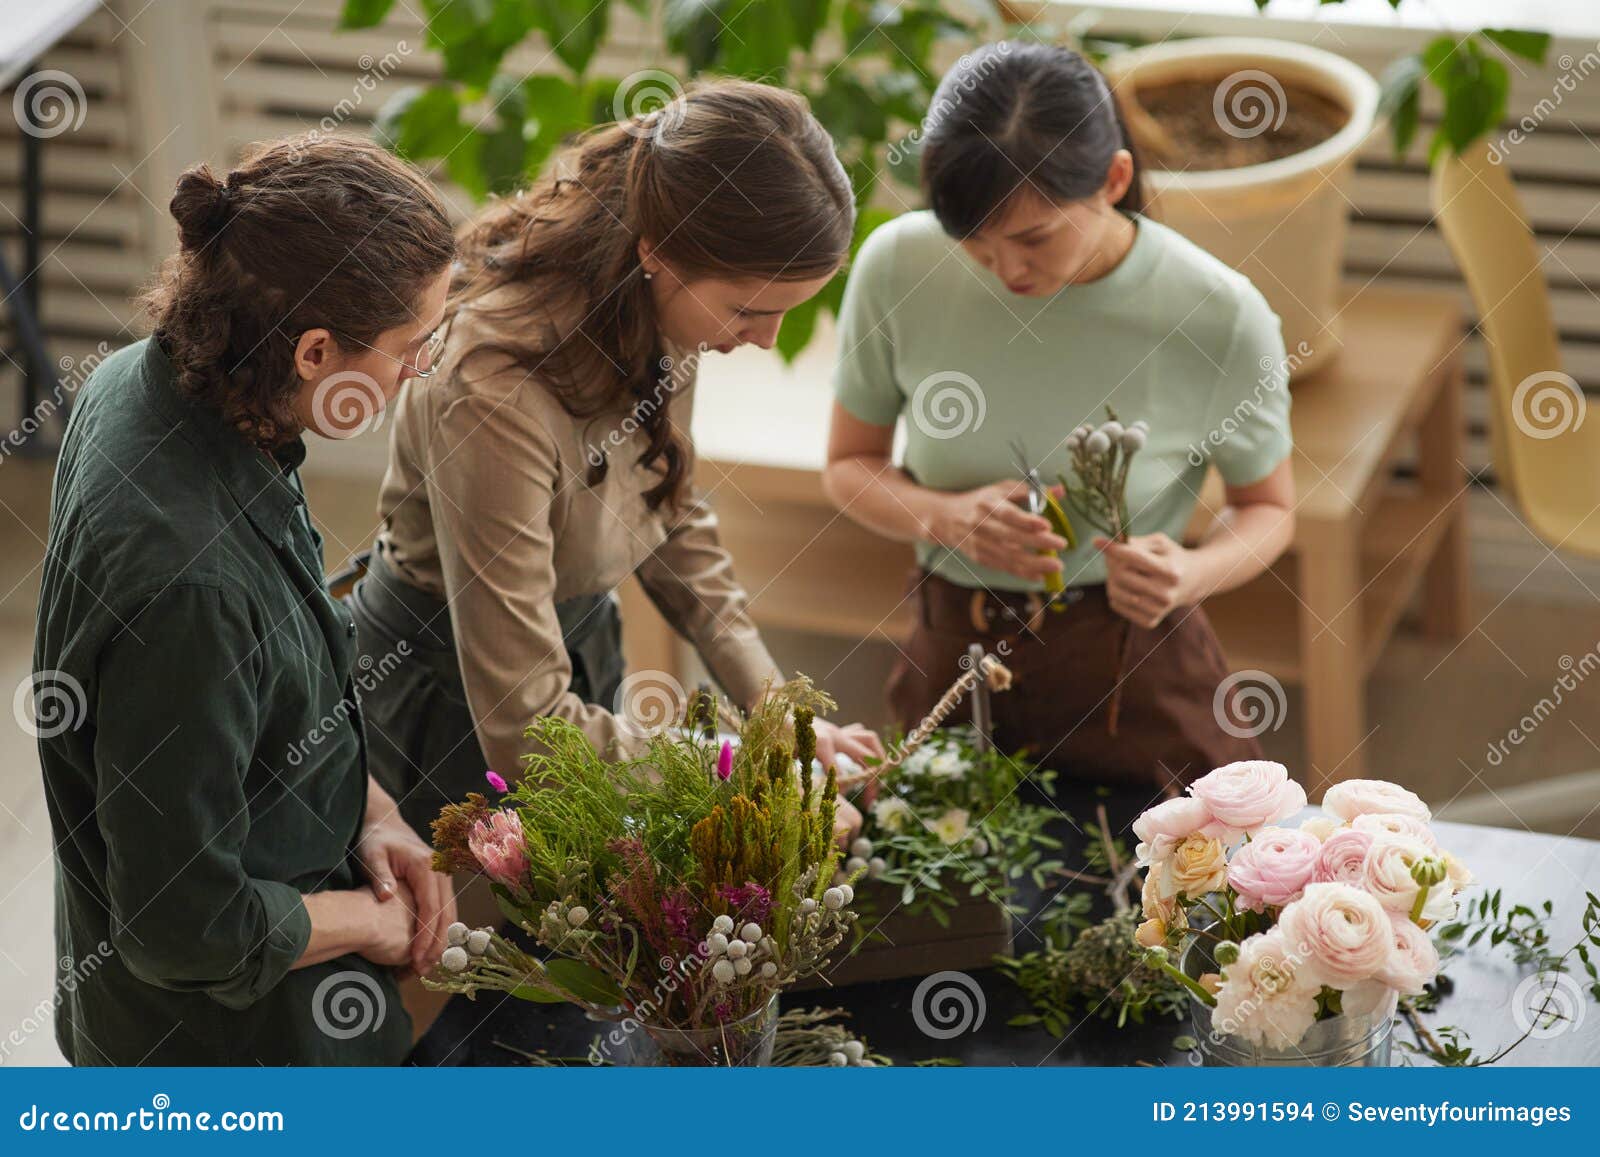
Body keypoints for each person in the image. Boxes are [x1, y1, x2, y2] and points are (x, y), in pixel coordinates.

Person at [351, 78, 884, 846]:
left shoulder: (660, 306)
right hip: (451, 701)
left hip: (578, 660)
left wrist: (778, 716)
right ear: (657, 253)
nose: (767, 341)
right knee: (488, 953)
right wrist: (743, 772)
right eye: (748, 311)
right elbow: (527, 732)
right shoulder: (493, 390)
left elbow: (669, 508)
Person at [33, 136, 459, 1065]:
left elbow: (271, 704)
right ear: (314, 351)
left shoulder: (160, 382)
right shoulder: (193, 591)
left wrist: (372, 812)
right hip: (218, 1051)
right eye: (413, 347)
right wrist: (367, 923)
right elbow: (179, 926)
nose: (419, 371)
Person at [823, 43, 1296, 796]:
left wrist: (1190, 570)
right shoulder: (897, 266)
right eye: (973, 244)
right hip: (956, 658)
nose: (1007, 271)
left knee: (1188, 900)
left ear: (1114, 179)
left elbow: (1268, 508)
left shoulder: (1219, 314)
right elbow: (850, 465)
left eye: (1035, 237)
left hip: (1134, 665)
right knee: (931, 897)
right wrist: (946, 516)